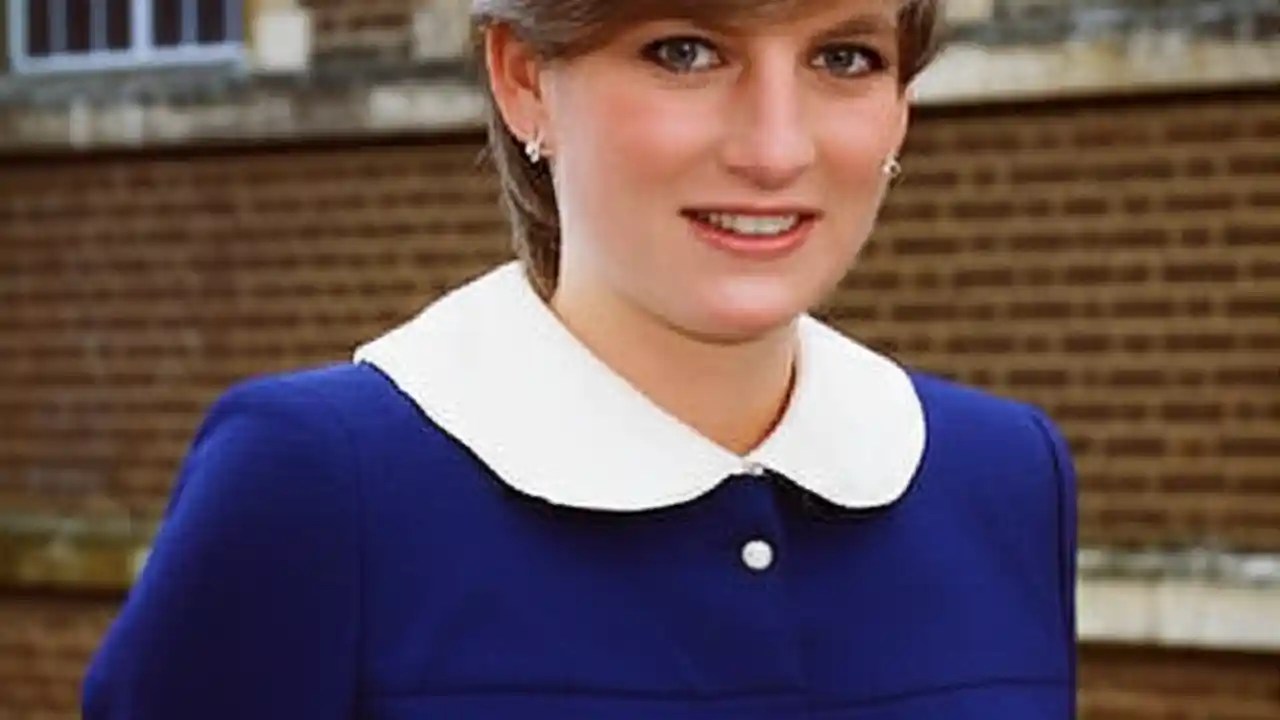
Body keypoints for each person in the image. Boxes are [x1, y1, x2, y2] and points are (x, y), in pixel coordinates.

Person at [82, 0, 1078, 717]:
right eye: (684, 49)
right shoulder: (316, 485)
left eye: (844, 57)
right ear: (522, 79)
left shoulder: (999, 477)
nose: (775, 149)